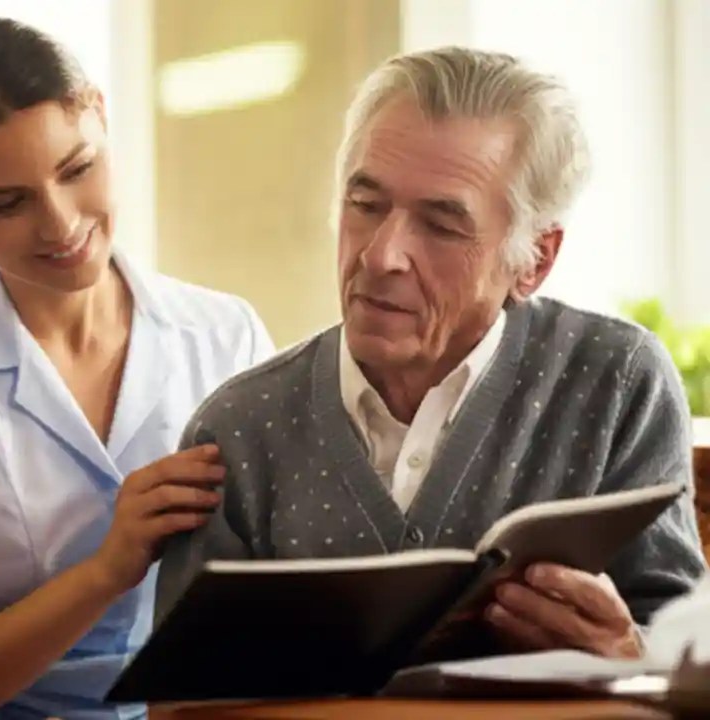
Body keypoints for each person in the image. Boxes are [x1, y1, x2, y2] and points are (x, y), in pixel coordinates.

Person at [156, 46, 706, 660]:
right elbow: (181, 699)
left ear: (534, 261)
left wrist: (626, 650)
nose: (381, 255)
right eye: (365, 206)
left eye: (441, 226)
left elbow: (681, 654)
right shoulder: (239, 427)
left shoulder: (618, 384)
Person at [0, 17, 275, 719]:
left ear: (99, 112)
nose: (61, 224)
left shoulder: (224, 336)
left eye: (77, 170)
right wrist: (105, 571)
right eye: (7, 203)